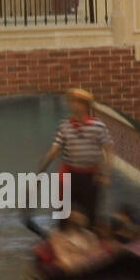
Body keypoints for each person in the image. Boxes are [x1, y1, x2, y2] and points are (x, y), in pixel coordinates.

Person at [37, 88, 113, 223]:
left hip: (90, 175)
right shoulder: (64, 126)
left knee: (90, 213)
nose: (72, 105)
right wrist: (41, 169)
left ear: (85, 105)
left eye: (76, 102)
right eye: (71, 102)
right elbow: (55, 150)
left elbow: (108, 150)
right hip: (69, 174)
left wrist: (106, 175)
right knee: (62, 213)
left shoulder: (98, 126)